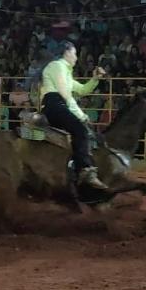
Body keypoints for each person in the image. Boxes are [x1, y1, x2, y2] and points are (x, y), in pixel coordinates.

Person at [39, 41, 107, 190]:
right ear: (67, 52)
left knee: (77, 132)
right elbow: (65, 95)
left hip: (57, 105)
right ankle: (85, 170)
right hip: (54, 104)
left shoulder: (65, 72)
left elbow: (82, 90)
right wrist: (81, 115)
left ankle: (74, 167)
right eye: (75, 54)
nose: (76, 57)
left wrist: (95, 79)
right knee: (80, 130)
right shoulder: (57, 66)